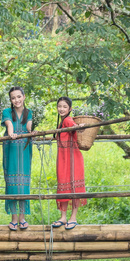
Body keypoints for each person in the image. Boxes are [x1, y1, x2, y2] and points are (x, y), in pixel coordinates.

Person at [1, 87, 33, 230]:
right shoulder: (7, 112)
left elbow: (29, 126)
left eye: (19, 97)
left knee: (23, 183)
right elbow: (9, 124)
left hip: (24, 149)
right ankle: (14, 218)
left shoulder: (29, 112)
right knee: (12, 183)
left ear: (24, 97)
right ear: (11, 100)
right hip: (11, 147)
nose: (16, 100)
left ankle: (22, 218)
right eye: (13, 98)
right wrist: (11, 133)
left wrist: (32, 131)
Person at [53, 96, 86, 230]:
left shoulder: (67, 120)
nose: (61, 109)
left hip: (72, 159)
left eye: (64, 107)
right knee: (64, 186)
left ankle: (72, 217)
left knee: (73, 186)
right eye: (59, 106)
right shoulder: (61, 122)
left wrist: (79, 127)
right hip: (63, 159)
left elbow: (74, 127)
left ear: (70, 109)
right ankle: (63, 217)